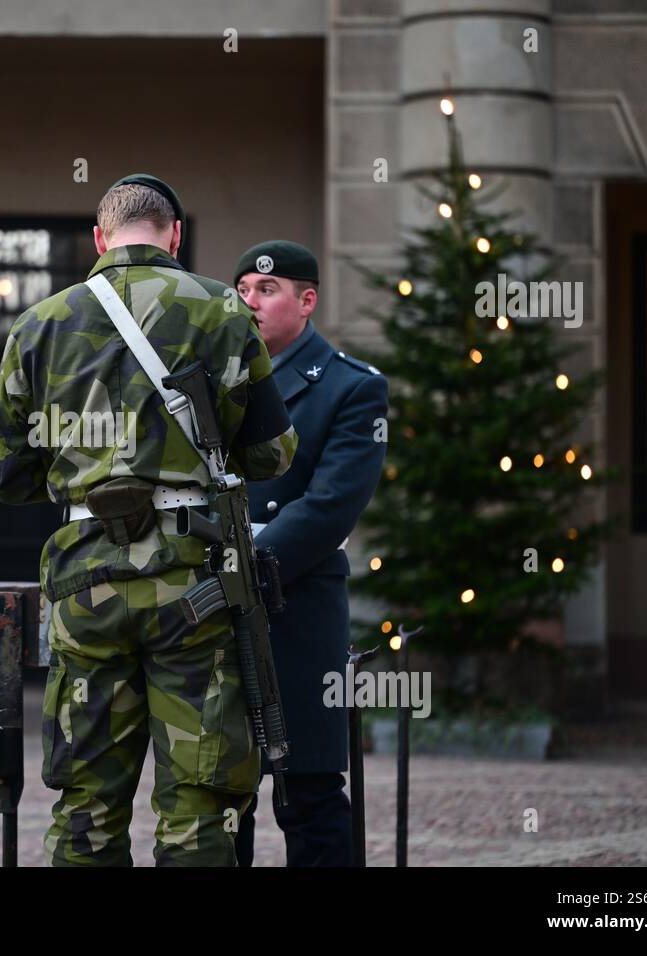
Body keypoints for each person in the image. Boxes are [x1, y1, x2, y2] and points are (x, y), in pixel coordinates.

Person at [0, 174, 297, 866]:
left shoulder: (39, 324)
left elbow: (5, 479)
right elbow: (273, 452)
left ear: (100, 238)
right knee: (199, 800)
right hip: (192, 587)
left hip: (83, 582)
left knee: (85, 806)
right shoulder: (220, 309)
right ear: (174, 234)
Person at [230, 240, 388, 866]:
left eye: (266, 291)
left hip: (297, 610)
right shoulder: (221, 380)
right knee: (219, 793)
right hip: (220, 614)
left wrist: (239, 569)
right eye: (242, 290)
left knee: (311, 794)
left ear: (307, 300)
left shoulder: (352, 389)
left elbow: (328, 508)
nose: (251, 302)